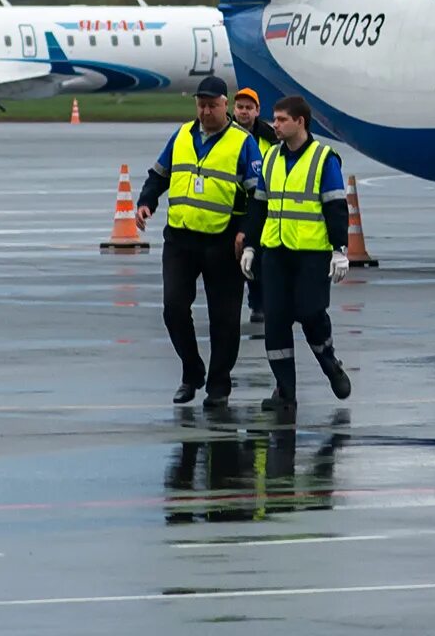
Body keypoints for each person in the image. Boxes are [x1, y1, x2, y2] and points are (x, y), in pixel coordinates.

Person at [136, 75, 263, 406]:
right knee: (173, 309)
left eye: (212, 105)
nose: (205, 111)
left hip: (223, 242)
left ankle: (219, 384)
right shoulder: (181, 135)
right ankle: (192, 372)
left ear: (225, 105)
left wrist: (244, 232)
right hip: (180, 238)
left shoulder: (242, 142)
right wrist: (146, 201)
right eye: (201, 105)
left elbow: (258, 195)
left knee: (224, 318)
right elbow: (159, 175)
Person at [255, 94, 353, 413]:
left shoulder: (324, 158)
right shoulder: (270, 157)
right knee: (276, 322)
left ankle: (329, 363)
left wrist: (339, 250)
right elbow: (259, 204)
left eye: (282, 119)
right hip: (276, 252)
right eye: (274, 118)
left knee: (311, 314)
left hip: (312, 253)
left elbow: (337, 206)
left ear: (300, 122)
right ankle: (285, 391)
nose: (275, 125)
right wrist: (251, 247)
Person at [233, 87, 268, 328]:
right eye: (240, 107)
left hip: (260, 206)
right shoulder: (225, 134)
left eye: (249, 108)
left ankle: (258, 305)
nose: (244, 112)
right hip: (231, 208)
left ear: (257, 111)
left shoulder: (270, 136)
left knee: (257, 258)